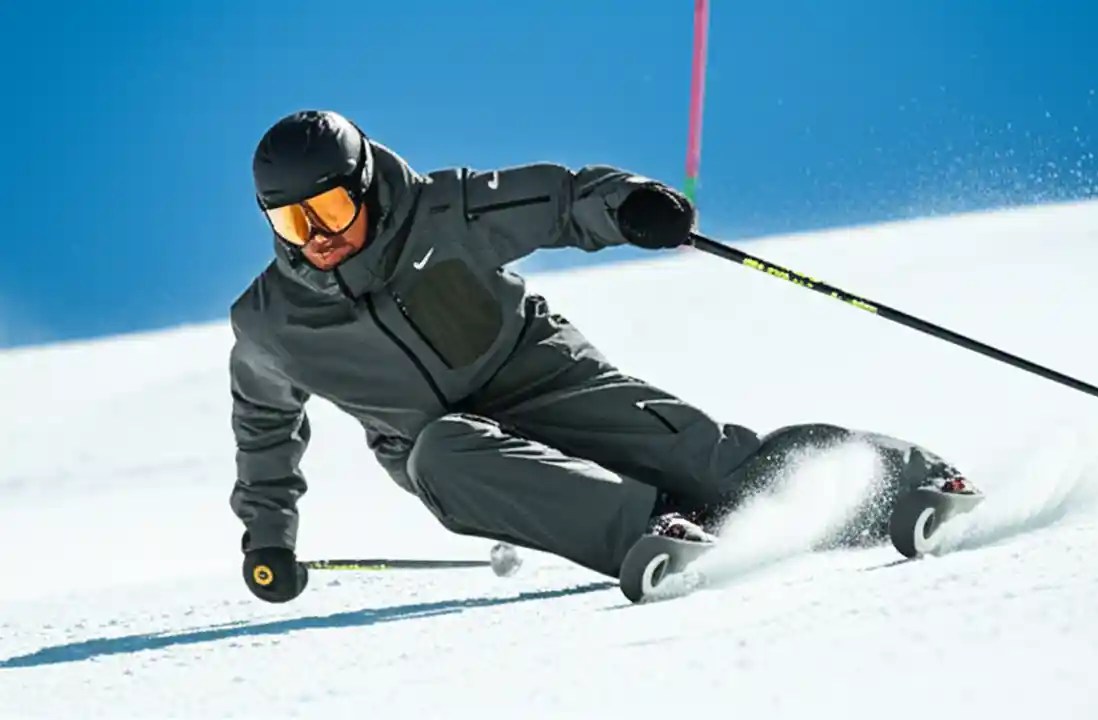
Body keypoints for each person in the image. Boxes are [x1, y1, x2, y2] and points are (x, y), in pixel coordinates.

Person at [230, 110, 963, 604]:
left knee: (719, 470)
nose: (315, 235)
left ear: (367, 188)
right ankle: (650, 536)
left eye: (326, 210)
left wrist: (630, 205)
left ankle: (912, 482)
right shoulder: (272, 322)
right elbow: (265, 430)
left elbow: (560, 198)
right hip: (454, 450)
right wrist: (269, 538)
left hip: (546, 373)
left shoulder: (441, 212)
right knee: (438, 454)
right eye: (290, 219)